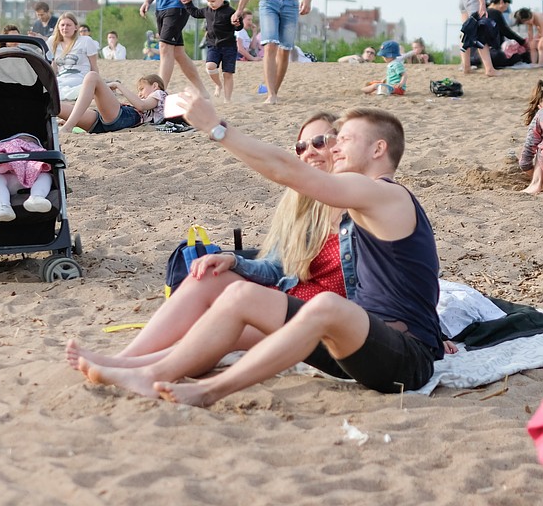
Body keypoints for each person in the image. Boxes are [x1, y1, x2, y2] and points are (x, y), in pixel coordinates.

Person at [82, 101, 443, 406]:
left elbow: (287, 170)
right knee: (240, 295)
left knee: (327, 306)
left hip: (405, 357)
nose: (333, 148)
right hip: (356, 345)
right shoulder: (359, 203)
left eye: (343, 139)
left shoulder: (387, 195)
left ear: (378, 149)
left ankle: (208, 391)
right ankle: (148, 373)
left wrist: (216, 128)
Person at [67, 112, 354, 373]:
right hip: (287, 302)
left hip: (323, 321)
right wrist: (234, 260)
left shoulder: (360, 205)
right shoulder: (299, 205)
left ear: (339, 146)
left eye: (318, 142)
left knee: (219, 331)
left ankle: (132, 368)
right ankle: (127, 357)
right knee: (207, 275)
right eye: (301, 147)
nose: (309, 152)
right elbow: (274, 269)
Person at [180, 0, 241, 101]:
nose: (210, 3)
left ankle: (227, 99)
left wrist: (237, 24)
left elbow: (239, 27)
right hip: (213, 45)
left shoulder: (230, 12)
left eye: (213, 1)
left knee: (227, 74)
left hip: (229, 47)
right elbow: (195, 13)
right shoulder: (207, 10)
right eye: (208, 1)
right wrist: (187, 3)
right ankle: (218, 84)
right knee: (210, 66)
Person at [57, 73, 167, 134]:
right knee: (56, 105)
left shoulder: (159, 94)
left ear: (155, 86)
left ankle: (68, 126)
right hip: (108, 122)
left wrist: (118, 85)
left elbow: (141, 106)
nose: (140, 94)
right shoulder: (153, 99)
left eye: (142, 89)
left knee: (92, 76)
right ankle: (71, 121)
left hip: (124, 117)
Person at [0, 133, 53, 222]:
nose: (25, 141)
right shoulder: (5, 145)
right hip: (8, 178)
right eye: (22, 138)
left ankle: (37, 197)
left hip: (33, 175)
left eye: (30, 140)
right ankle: (3, 206)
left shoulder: (36, 149)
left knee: (45, 176)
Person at [47, 11, 101, 102]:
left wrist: (98, 85)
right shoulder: (53, 42)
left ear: (76, 27)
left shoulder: (85, 41)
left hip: (80, 77)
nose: (65, 28)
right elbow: (54, 66)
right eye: (62, 25)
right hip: (62, 77)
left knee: (60, 88)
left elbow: (94, 66)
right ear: (58, 27)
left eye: (68, 25)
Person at [484, 0, 529, 68]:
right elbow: (506, 31)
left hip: (480, 54)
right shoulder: (495, 13)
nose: (505, 10)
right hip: (493, 54)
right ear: (501, 2)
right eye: (506, 6)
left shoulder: (484, 11)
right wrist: (523, 42)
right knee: (521, 56)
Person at [519, 79, 543, 194]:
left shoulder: (540, 114)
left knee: (540, 146)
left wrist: (529, 169)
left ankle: (537, 183)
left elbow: (528, 150)